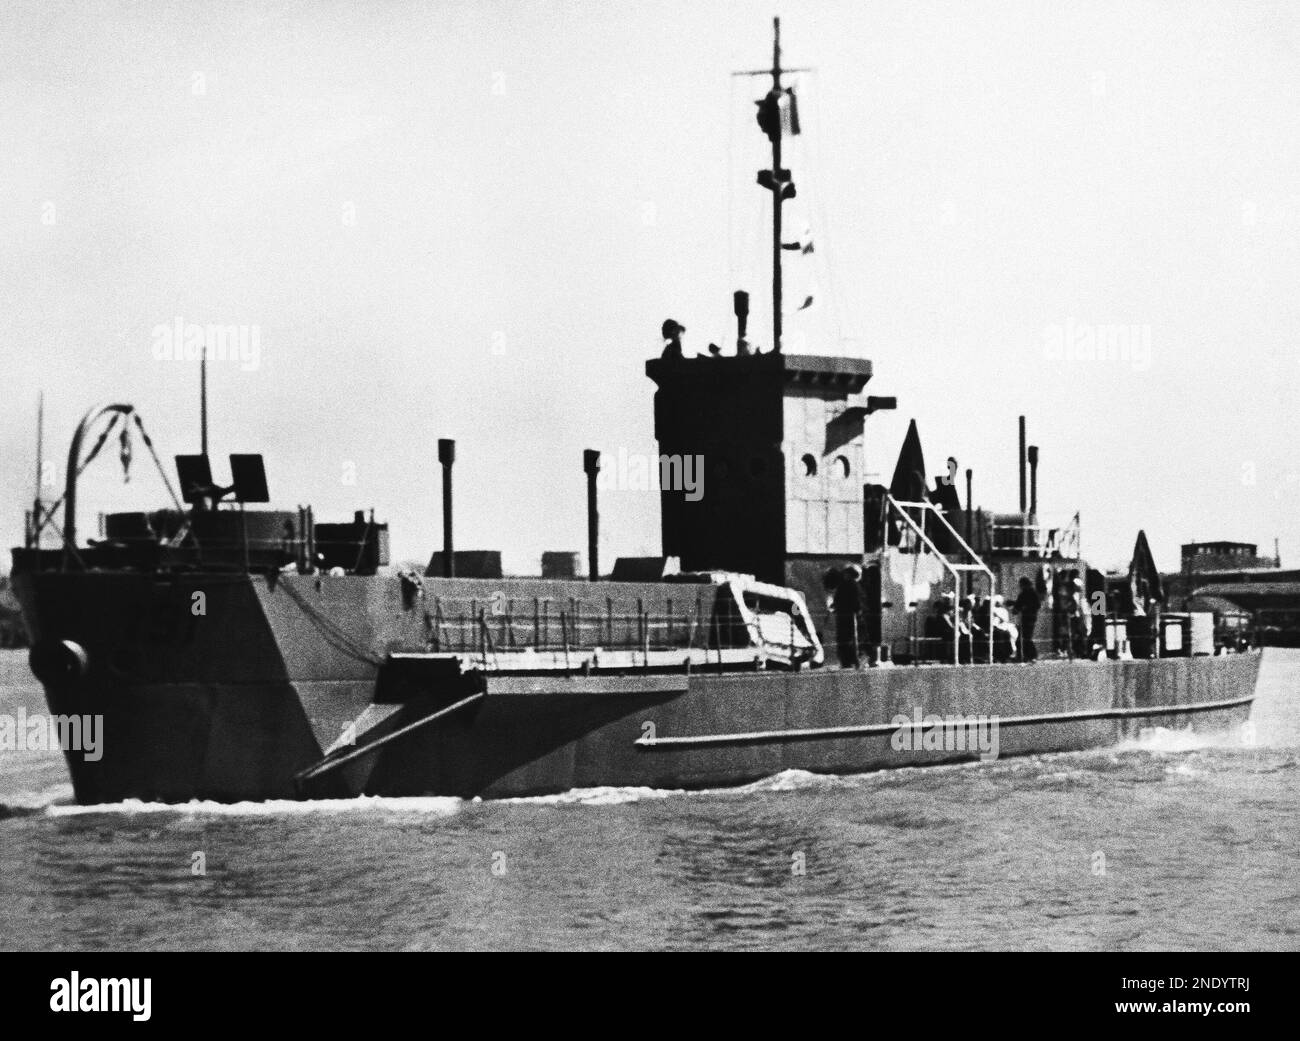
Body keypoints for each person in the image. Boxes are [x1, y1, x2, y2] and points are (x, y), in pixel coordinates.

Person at [832, 564, 863, 668]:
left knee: (842, 638)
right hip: (850, 614)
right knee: (851, 637)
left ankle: (845, 660)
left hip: (841, 614)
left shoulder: (841, 585)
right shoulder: (854, 585)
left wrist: (835, 607)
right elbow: (856, 600)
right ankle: (853, 659)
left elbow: (837, 599)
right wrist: (858, 611)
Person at [1013, 576, 1040, 662]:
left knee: (1026, 638)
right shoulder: (1024, 594)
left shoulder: (1032, 593)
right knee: (1022, 639)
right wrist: (1015, 607)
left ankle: (1032, 655)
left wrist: (1025, 608)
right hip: (1024, 619)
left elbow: (1037, 605)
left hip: (1030, 618)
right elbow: (1017, 607)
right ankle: (1022, 656)